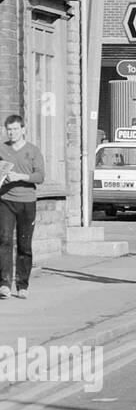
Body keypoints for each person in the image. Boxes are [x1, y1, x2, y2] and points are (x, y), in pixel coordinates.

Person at [0, 115, 45, 300]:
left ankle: (22, 284)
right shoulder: (2, 148)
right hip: (6, 199)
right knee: (4, 240)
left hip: (27, 201)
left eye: (15, 129)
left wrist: (20, 177)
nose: (12, 133)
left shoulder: (32, 151)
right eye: (9, 129)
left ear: (23, 130)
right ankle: (4, 284)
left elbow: (40, 176)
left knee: (24, 244)